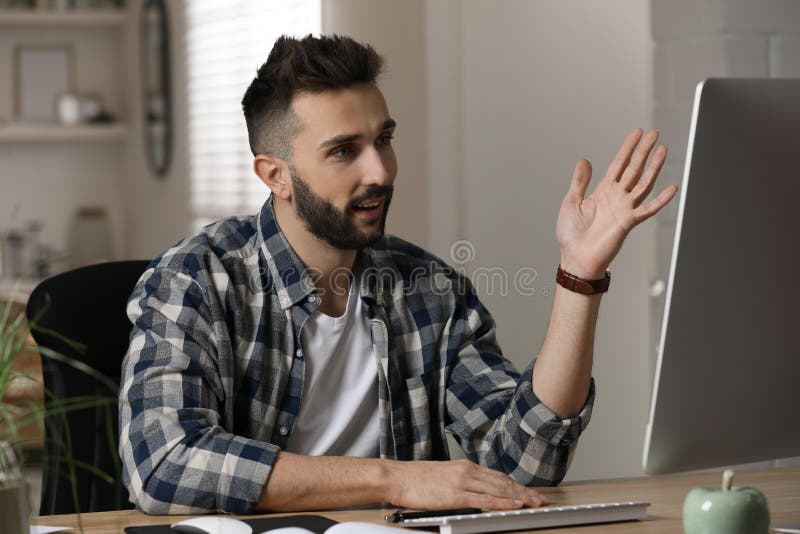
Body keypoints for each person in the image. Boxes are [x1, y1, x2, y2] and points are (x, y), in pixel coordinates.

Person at [119, 34, 676, 515]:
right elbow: (164, 465)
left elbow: (526, 461)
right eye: (344, 151)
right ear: (276, 175)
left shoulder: (429, 290)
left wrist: (579, 275)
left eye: (384, 139)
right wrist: (397, 479)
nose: (380, 170)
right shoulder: (195, 278)